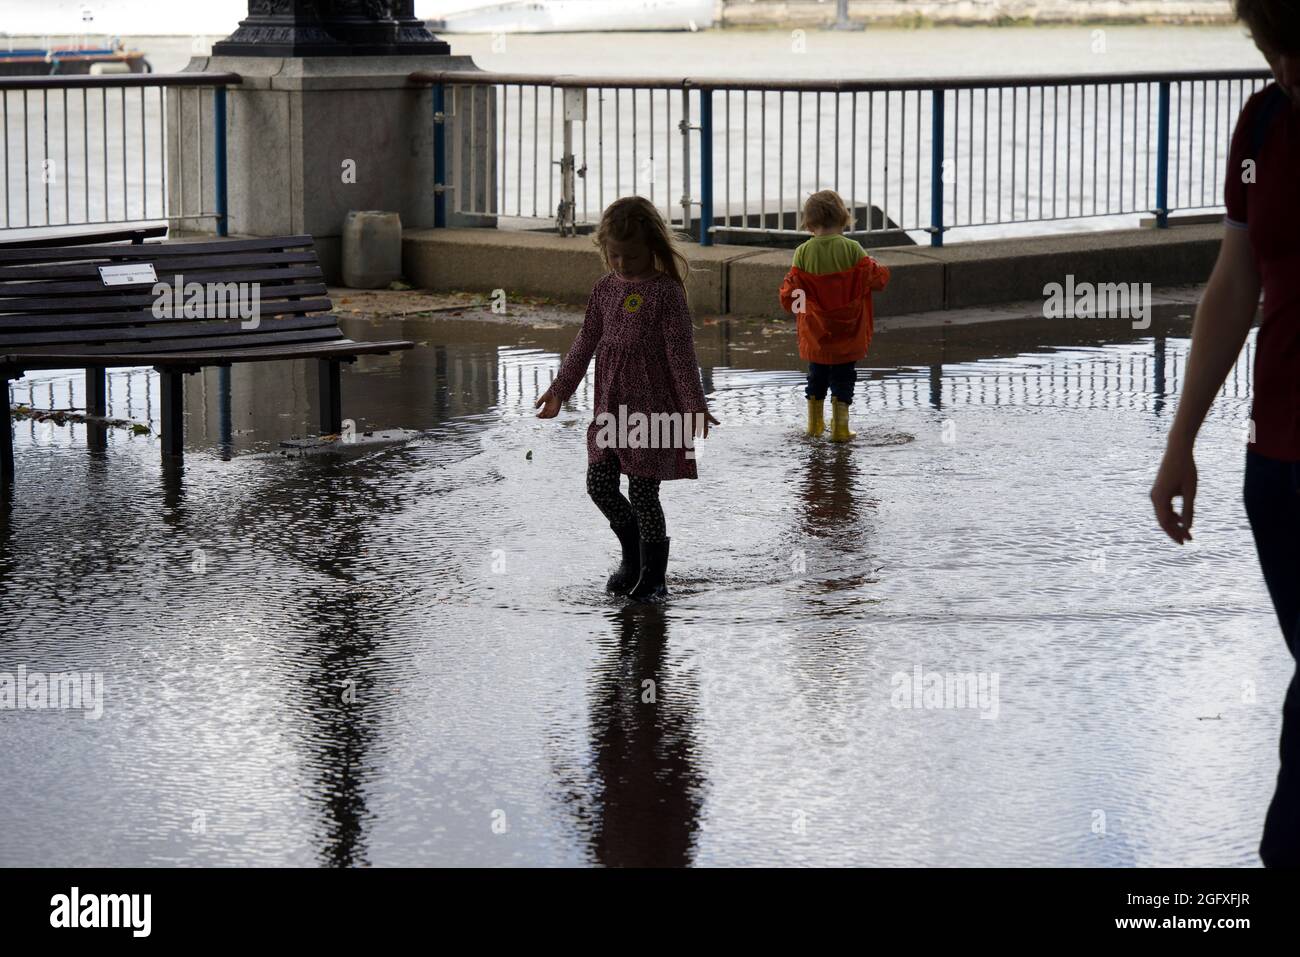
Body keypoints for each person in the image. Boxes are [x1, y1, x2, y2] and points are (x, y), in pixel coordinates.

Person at [1150, 0, 1300, 867]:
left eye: (1296, 48)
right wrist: (1183, 441)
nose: (1284, 68)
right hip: (1278, 466)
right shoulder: (1265, 118)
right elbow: (1234, 280)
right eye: (1269, 49)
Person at [536, 196, 718, 602]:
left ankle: (654, 576)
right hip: (610, 410)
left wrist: (694, 405)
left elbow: (681, 355)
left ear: (652, 246)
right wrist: (561, 388)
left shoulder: (666, 293)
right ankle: (632, 557)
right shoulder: (605, 289)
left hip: (652, 412)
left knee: (643, 492)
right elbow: (585, 342)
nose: (621, 264)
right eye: (614, 255)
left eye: (631, 256)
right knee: (599, 484)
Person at [778, 189, 890, 442]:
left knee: (816, 375)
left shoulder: (803, 252)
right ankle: (840, 427)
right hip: (849, 330)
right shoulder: (853, 249)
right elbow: (878, 280)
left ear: (808, 223)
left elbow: (792, 296)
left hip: (816, 331)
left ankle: (814, 425)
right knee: (844, 375)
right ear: (843, 218)